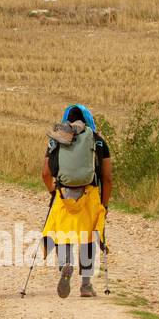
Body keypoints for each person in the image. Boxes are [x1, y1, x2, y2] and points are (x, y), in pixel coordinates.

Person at [40, 103, 112, 298]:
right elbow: (107, 178)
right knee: (87, 238)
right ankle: (86, 286)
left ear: (66, 120)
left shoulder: (57, 140)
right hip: (90, 194)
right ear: (87, 119)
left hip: (63, 194)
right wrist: (103, 205)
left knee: (64, 234)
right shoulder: (97, 141)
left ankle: (65, 266)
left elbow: (46, 172)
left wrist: (53, 192)